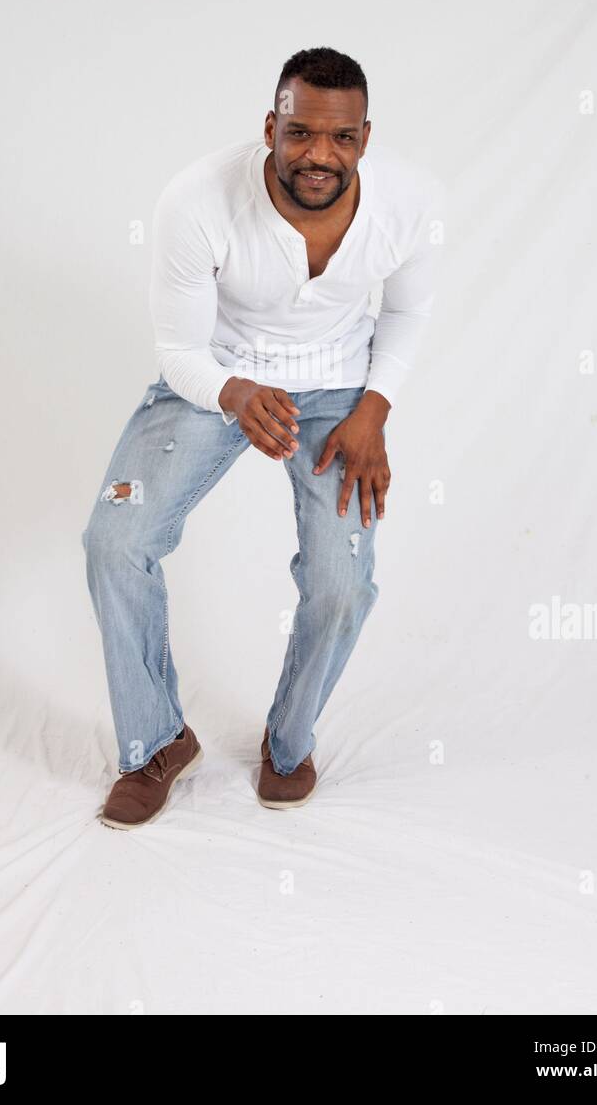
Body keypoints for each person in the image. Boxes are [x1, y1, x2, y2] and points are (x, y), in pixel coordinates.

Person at [82, 46, 443, 827]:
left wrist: (374, 408)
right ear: (270, 126)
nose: (319, 155)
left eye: (341, 138)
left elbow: (408, 313)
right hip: (218, 377)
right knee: (115, 540)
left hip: (340, 390)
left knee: (343, 581)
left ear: (365, 138)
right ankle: (155, 743)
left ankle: (290, 742)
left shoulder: (410, 202)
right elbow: (177, 351)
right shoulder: (197, 199)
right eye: (300, 132)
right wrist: (233, 390)